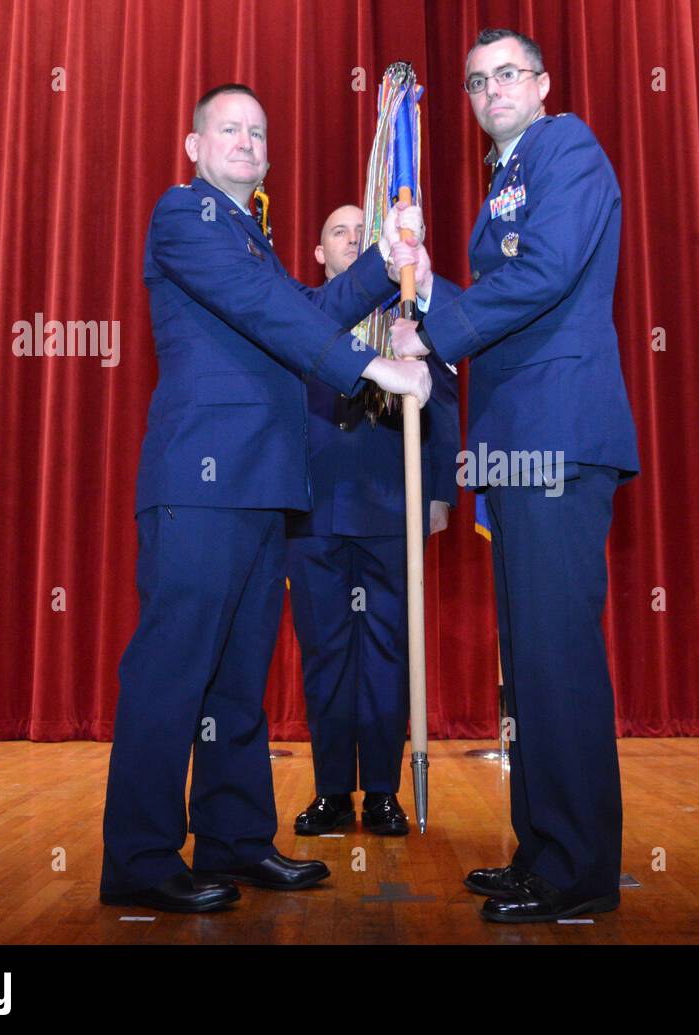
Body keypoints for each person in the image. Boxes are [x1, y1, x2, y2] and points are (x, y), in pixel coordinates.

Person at [100, 83, 431, 913]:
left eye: (258, 132)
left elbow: (302, 309)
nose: (246, 142)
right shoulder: (184, 218)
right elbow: (267, 313)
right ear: (194, 145)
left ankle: (235, 836)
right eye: (229, 129)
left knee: (238, 678)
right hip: (200, 487)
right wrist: (371, 366)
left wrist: (383, 269)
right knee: (171, 673)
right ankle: (140, 858)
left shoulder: (252, 242)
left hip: (263, 491)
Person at [390, 29, 640, 923]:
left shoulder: (566, 145)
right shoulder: (506, 177)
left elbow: (545, 275)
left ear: (540, 83)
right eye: (475, 81)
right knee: (530, 663)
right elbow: (502, 303)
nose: (490, 90)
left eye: (507, 74)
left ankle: (578, 873)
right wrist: (423, 293)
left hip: (559, 432)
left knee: (558, 659)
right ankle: (542, 849)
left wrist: (436, 327)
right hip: (516, 440)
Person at [287, 204, 459, 838]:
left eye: (365, 235)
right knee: (326, 656)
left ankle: (383, 791)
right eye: (340, 233)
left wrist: (439, 491)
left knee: (389, 652)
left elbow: (442, 398)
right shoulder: (297, 312)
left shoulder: (409, 319)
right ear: (318, 251)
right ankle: (333, 790)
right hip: (313, 512)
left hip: (391, 505)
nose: (354, 243)